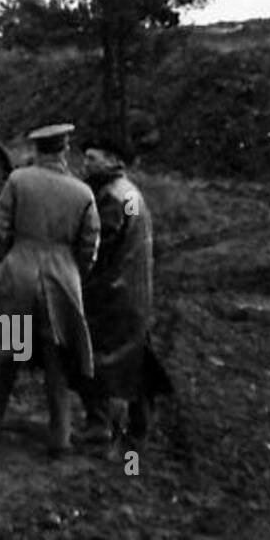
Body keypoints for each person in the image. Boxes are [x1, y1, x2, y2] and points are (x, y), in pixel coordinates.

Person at [0, 123, 101, 456]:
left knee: (2, 345)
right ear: (64, 149)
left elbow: (1, 232)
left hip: (19, 267)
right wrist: (74, 272)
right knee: (56, 356)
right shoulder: (83, 193)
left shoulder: (18, 180)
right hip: (62, 275)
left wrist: (8, 261)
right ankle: (60, 435)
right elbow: (89, 247)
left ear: (37, 150)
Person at [75, 138, 173, 447]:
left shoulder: (110, 198)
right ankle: (140, 426)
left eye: (92, 157)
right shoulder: (130, 192)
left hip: (110, 292)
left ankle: (98, 422)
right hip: (135, 293)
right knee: (136, 357)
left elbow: (98, 246)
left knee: (88, 353)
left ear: (111, 159)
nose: (85, 163)